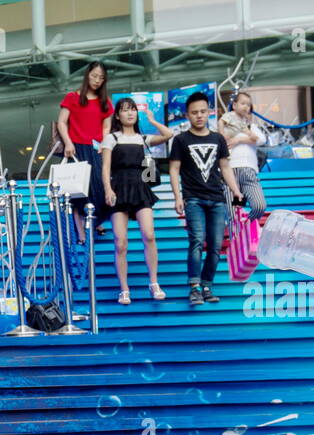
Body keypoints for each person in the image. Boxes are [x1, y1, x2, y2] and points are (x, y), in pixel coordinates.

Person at [169, 90, 244, 306]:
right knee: (197, 240)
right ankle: (194, 287)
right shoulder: (181, 140)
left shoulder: (218, 138)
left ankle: (207, 285)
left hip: (218, 199)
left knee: (216, 245)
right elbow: (174, 170)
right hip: (193, 199)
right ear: (187, 115)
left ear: (209, 112)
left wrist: (236, 191)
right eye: (194, 112)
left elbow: (225, 166)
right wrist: (177, 197)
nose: (199, 116)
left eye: (203, 111)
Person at [101, 99, 176, 304]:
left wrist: (152, 120)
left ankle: (154, 283)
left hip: (140, 186)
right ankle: (124, 289)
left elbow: (169, 135)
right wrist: (107, 189)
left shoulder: (142, 138)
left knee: (149, 235)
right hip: (119, 187)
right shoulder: (111, 138)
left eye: (133, 109)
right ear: (118, 116)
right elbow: (105, 167)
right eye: (125, 110)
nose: (130, 113)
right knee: (120, 242)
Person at [54, 61, 112, 240]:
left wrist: (104, 145)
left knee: (99, 186)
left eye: (101, 78)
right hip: (75, 149)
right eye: (94, 76)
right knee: (77, 192)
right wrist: (68, 143)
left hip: (96, 149)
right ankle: (81, 234)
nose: (97, 80)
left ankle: (97, 222)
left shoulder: (105, 102)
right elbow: (62, 122)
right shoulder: (72, 97)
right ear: (87, 75)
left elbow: (106, 127)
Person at [217, 90, 268, 219]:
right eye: (243, 103)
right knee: (233, 211)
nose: (246, 106)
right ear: (234, 105)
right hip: (231, 172)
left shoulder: (251, 127)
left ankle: (247, 224)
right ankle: (238, 234)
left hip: (249, 172)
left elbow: (261, 140)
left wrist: (238, 140)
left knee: (259, 206)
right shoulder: (227, 123)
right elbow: (221, 138)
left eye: (248, 104)